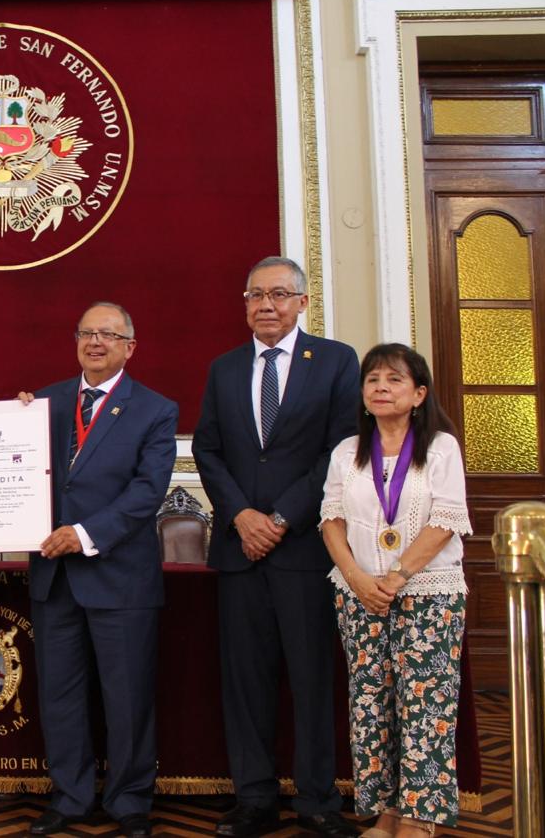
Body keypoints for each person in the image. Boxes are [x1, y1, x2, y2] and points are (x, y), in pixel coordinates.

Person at [192, 256, 359, 838]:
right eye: (256, 295)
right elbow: (208, 451)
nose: (267, 305)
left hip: (306, 550)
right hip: (240, 551)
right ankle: (255, 798)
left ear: (303, 303)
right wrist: (241, 515)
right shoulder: (224, 368)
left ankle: (317, 801)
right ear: (244, 304)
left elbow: (338, 451)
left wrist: (282, 517)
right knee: (245, 681)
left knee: (312, 678)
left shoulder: (336, 361)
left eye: (280, 294)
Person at [20, 302, 178, 838]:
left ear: (129, 347)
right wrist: (9, 427)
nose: (95, 342)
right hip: (52, 577)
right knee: (59, 695)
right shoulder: (43, 401)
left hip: (118, 575)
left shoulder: (155, 409)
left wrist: (84, 535)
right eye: (87, 333)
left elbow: (147, 491)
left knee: (127, 695)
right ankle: (69, 796)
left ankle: (130, 800)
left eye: (108, 335)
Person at [320, 344, 469, 838]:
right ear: (363, 395)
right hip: (358, 594)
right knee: (371, 705)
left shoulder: (441, 447)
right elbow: (330, 520)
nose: (381, 388)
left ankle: (420, 817)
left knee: (425, 706)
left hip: (429, 594)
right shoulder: (347, 451)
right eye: (373, 381)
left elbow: (446, 520)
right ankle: (385, 811)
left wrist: (398, 576)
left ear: (419, 393)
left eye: (394, 380)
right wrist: (360, 579)